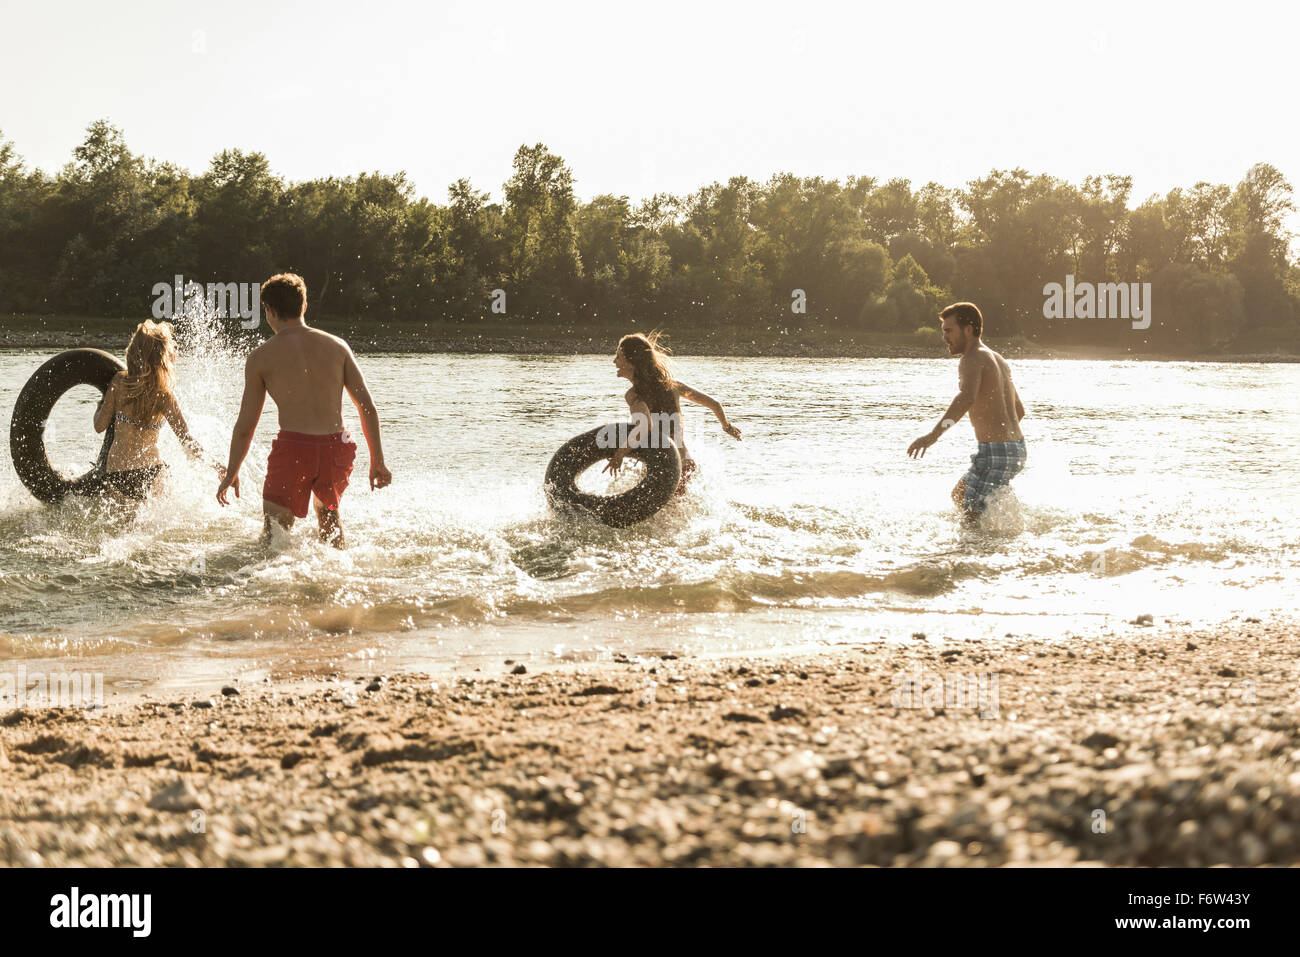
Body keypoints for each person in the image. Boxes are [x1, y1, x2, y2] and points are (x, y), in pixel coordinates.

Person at [215, 273, 391, 547]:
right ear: (304, 307)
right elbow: (367, 406)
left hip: (294, 448)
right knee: (330, 524)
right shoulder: (338, 346)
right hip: (336, 447)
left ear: (270, 311)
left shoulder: (261, 357)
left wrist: (231, 472)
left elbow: (245, 427)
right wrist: (378, 460)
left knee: (275, 534)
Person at [907, 302, 1026, 520]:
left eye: (948, 331)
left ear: (968, 330)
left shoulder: (971, 359)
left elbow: (965, 398)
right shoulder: (998, 359)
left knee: (971, 514)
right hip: (1016, 448)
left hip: (995, 452)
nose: (944, 337)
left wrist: (932, 436)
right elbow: (1019, 410)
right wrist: (1001, 438)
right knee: (960, 495)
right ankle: (1003, 531)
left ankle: (979, 550)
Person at [92, 320, 225, 501]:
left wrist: (100, 405)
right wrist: (217, 466)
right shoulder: (164, 395)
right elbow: (186, 439)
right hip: (151, 471)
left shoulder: (119, 382)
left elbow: (99, 426)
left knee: (123, 527)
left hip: (117, 473)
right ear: (163, 356)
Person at [603, 332, 741, 494]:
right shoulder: (675, 387)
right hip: (685, 464)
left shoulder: (634, 395)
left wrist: (619, 454)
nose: (614, 361)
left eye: (618, 357)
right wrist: (727, 426)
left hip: (664, 468)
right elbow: (715, 404)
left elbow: (645, 425)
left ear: (631, 362)